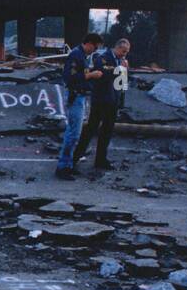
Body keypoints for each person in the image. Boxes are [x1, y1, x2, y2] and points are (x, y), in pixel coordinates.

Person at [73, 37, 131, 172]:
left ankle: (101, 159)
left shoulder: (121, 62)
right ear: (117, 48)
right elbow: (103, 72)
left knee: (107, 131)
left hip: (113, 101)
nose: (124, 54)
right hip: (101, 100)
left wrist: (121, 99)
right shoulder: (102, 57)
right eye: (123, 51)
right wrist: (119, 68)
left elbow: (122, 82)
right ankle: (75, 158)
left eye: (127, 52)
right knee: (90, 129)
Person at [55, 31, 103, 180]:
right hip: (74, 96)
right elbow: (70, 77)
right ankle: (63, 167)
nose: (94, 51)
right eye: (94, 47)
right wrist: (91, 75)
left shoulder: (84, 56)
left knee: (75, 132)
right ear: (88, 43)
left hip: (80, 96)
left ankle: (68, 165)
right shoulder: (76, 55)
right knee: (73, 133)